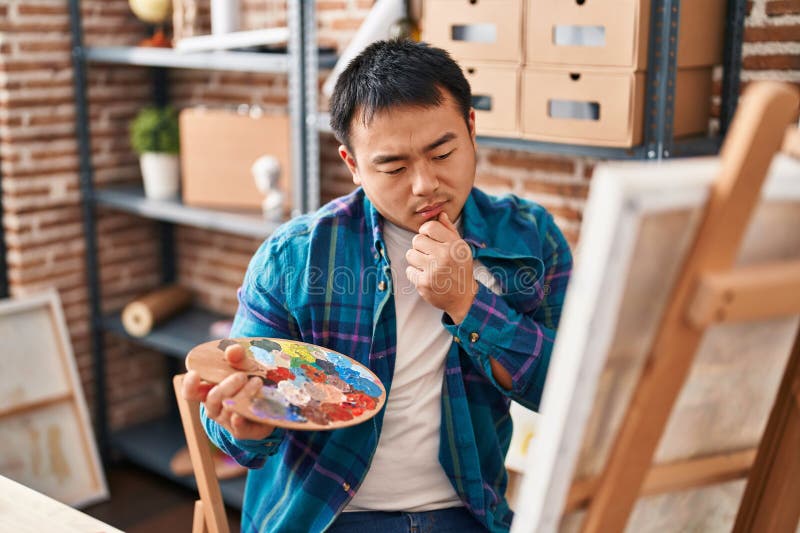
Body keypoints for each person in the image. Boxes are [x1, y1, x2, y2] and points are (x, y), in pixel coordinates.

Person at [182, 39, 573, 533]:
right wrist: (247, 424)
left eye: (443, 152)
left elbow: (568, 393)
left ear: (471, 129)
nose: (424, 184)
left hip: (466, 515)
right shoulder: (295, 257)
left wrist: (467, 302)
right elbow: (232, 422)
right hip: (325, 517)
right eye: (393, 167)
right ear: (352, 164)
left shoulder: (529, 237)